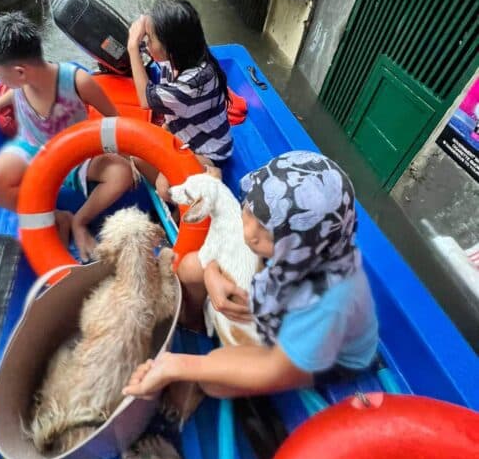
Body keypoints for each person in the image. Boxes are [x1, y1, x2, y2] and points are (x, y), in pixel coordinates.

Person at [124, 151, 379, 400]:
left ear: (298, 247)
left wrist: (178, 365)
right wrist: (212, 274)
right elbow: (231, 240)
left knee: (213, 382)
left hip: (319, 355)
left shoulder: (326, 300)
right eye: (249, 214)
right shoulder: (290, 231)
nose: (249, 234)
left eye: (268, 234)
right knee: (192, 267)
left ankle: (205, 368)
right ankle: (196, 327)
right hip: (280, 303)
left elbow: (275, 369)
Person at [0, 12, 134, 262]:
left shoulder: (77, 81)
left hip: (74, 157)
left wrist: (128, 156)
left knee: (121, 172)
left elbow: (114, 119)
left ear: (20, 72)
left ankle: (79, 221)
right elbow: (15, 94)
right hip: (33, 151)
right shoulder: (21, 84)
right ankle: (57, 216)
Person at [127, 0, 233, 199]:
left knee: (163, 187)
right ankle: (178, 197)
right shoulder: (180, 58)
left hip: (208, 152)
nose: (145, 43)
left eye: (149, 38)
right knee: (138, 158)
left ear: (170, 45)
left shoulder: (192, 83)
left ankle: (206, 183)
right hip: (182, 137)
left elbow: (146, 100)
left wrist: (133, 47)